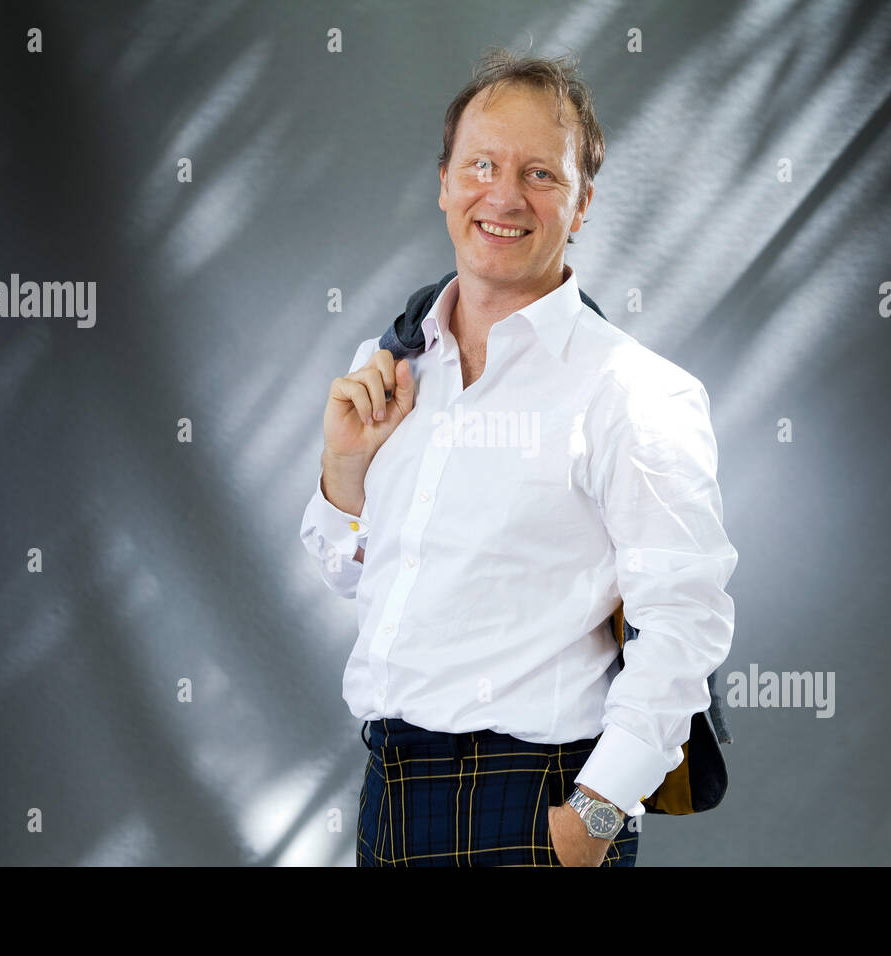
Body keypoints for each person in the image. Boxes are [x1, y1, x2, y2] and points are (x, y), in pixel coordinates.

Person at [299, 47, 738, 867]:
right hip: (388, 797)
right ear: (443, 182)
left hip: (538, 807)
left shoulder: (633, 391)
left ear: (582, 205)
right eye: (482, 165)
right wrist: (345, 472)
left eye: (540, 174)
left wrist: (596, 817)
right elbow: (352, 575)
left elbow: (685, 622)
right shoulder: (390, 366)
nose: (503, 196)